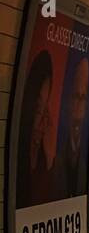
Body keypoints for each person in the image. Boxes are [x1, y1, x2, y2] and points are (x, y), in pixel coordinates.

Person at [17, 50, 64, 208]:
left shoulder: (44, 162)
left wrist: (50, 161)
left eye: (45, 110)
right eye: (38, 109)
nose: (43, 125)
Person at [61, 55, 89, 196]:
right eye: (76, 96)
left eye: (83, 97)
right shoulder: (58, 148)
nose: (79, 105)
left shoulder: (86, 150)